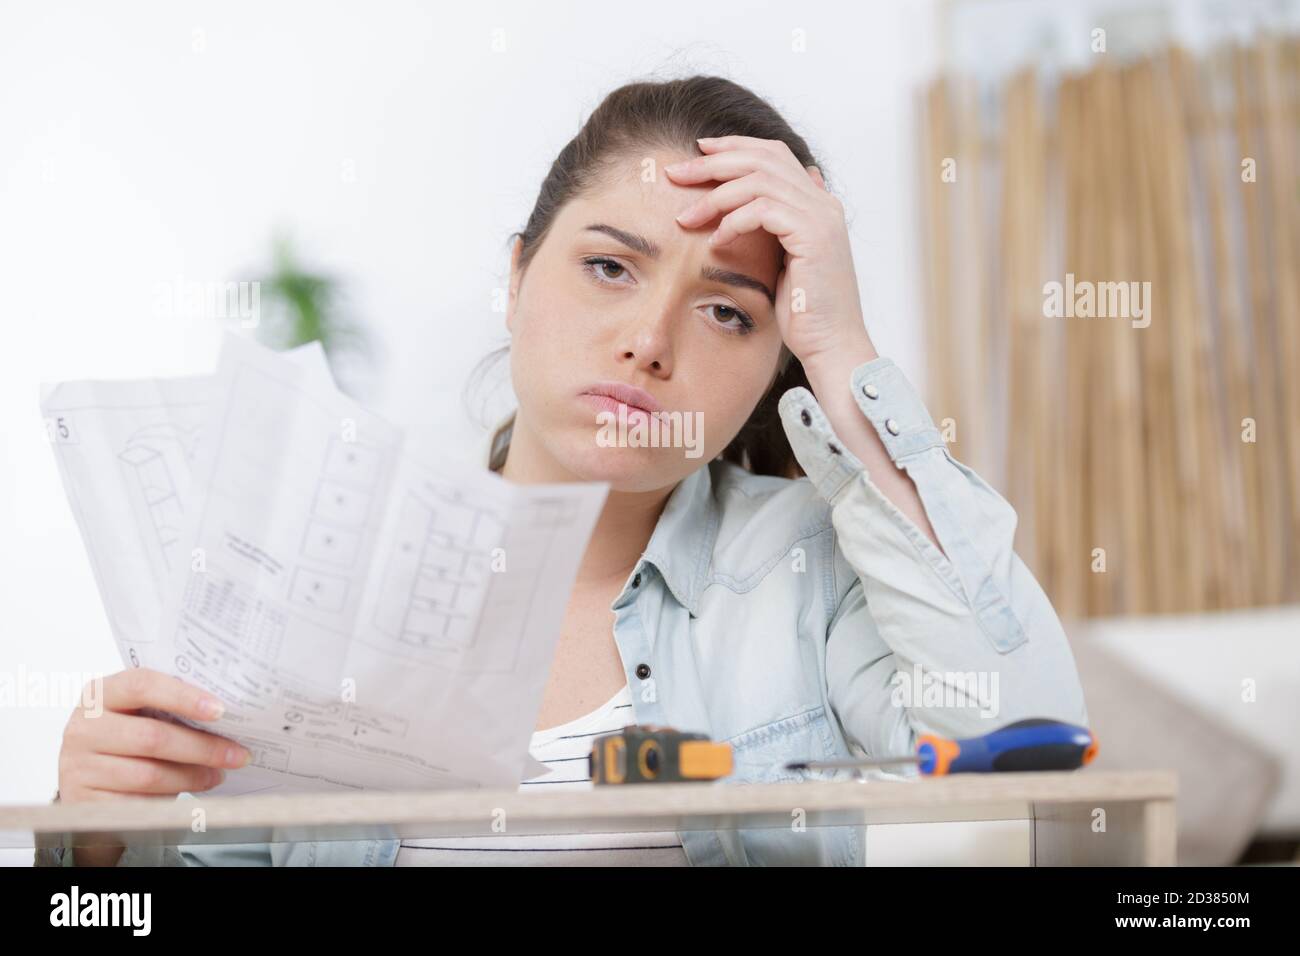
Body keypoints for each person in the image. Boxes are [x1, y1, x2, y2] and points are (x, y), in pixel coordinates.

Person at [40, 75, 1087, 868]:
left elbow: (1028, 748)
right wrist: (93, 846)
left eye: (729, 310)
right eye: (608, 266)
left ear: (777, 363)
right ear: (515, 274)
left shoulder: (809, 564)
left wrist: (845, 347)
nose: (649, 339)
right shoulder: (307, 559)